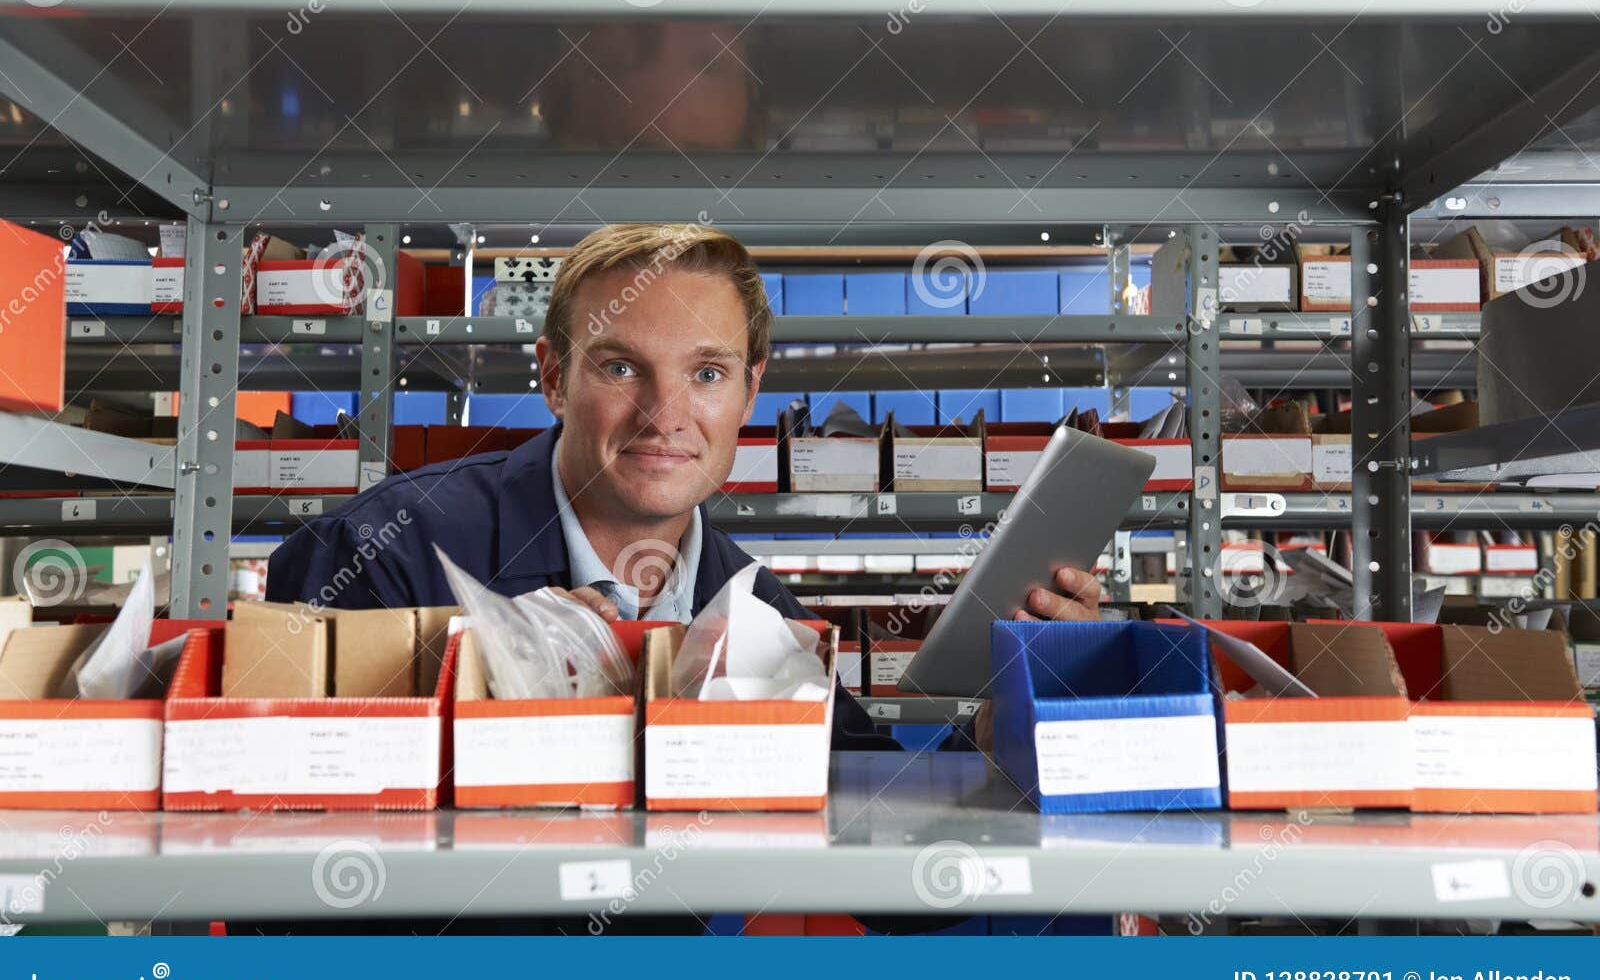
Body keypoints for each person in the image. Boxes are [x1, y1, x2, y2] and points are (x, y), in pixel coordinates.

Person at [266, 222, 1103, 746]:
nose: (665, 414)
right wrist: (466, 684)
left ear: (751, 391)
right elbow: (266, 854)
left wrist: (1005, 735)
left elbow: (873, 851)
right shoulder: (385, 551)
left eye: (706, 372)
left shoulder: (764, 615)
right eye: (622, 365)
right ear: (555, 379)